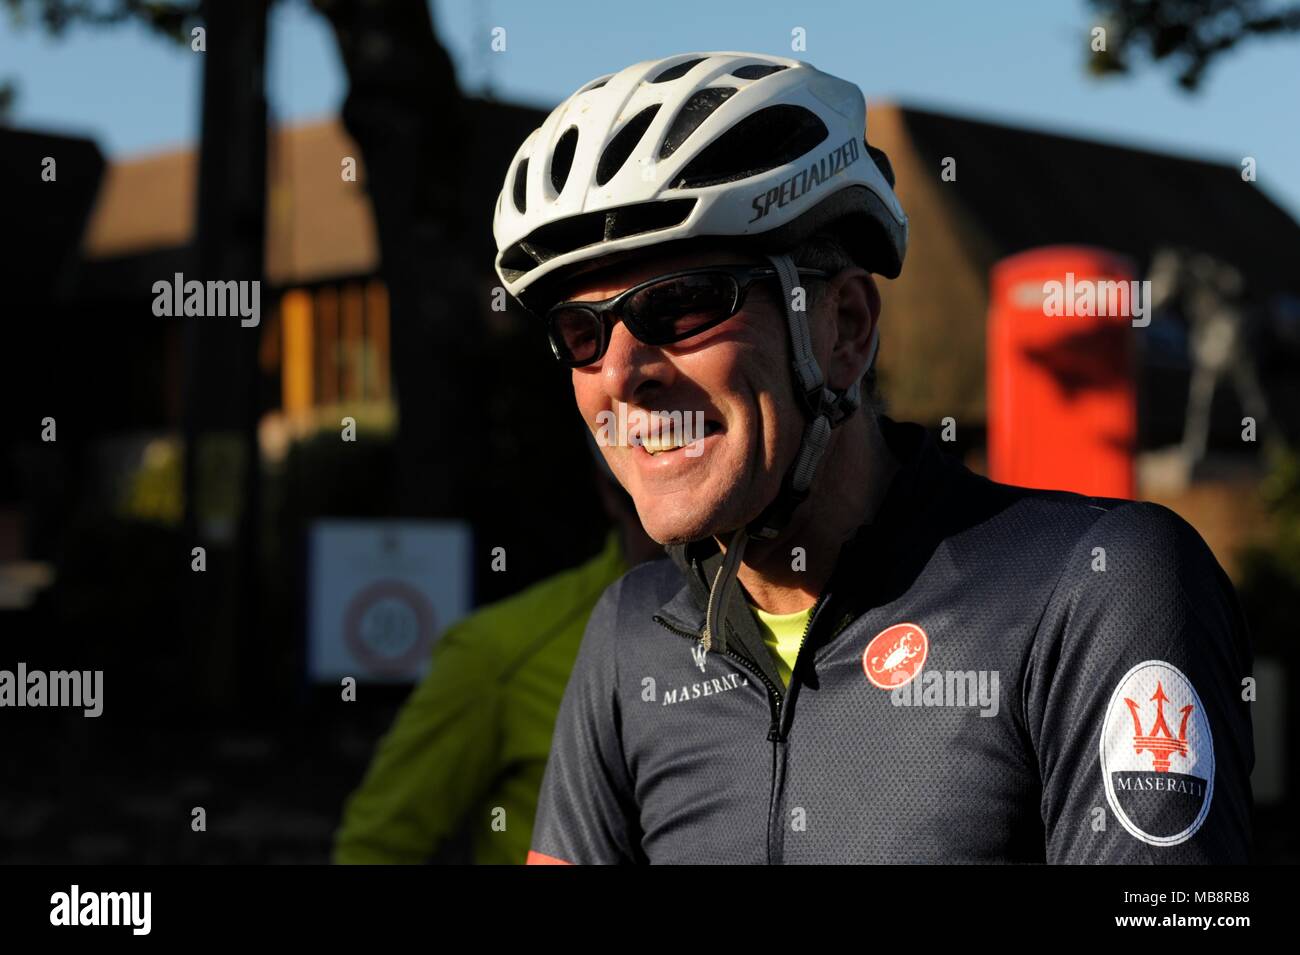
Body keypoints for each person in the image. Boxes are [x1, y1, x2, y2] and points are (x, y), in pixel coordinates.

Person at [491, 51, 1254, 863]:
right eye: (581, 331)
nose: (620, 375)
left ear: (846, 326)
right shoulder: (630, 636)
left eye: (682, 305)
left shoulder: (1099, 587)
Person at [332, 449, 660, 864]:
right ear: (607, 489)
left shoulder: (763, 625)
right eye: (641, 492)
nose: (670, 529)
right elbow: (376, 846)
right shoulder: (500, 650)